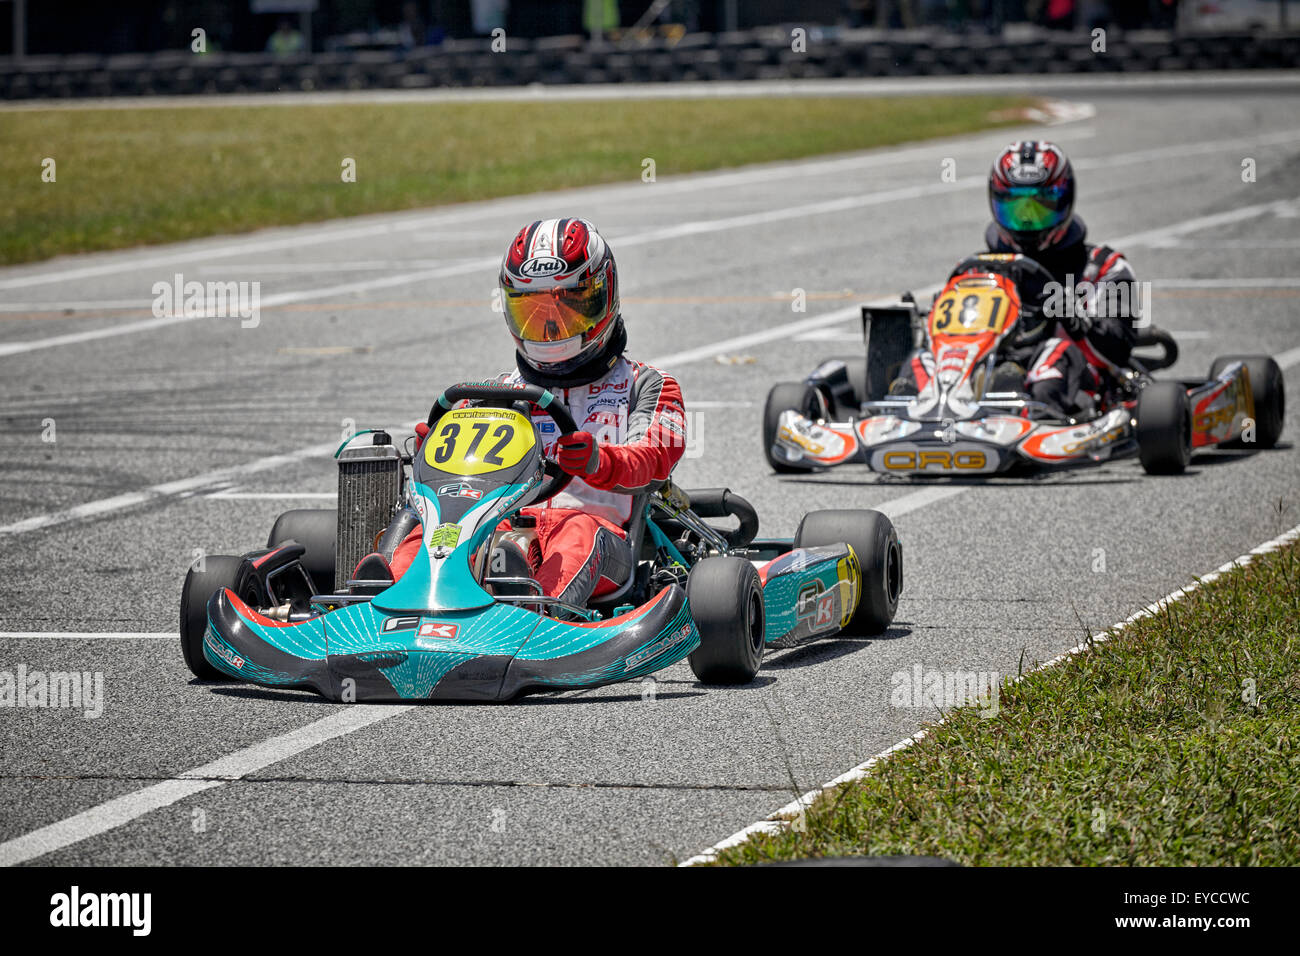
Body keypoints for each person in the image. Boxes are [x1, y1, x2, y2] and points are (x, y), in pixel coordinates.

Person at [369, 218, 687, 609]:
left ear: (603, 297)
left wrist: (598, 461)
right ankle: (383, 596)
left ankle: (539, 612)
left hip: (602, 538)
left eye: (568, 307)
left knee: (577, 532)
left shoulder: (646, 385)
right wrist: (434, 457)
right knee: (438, 536)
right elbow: (458, 485)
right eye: (534, 310)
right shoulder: (491, 396)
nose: (551, 327)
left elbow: (654, 460)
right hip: (501, 525)